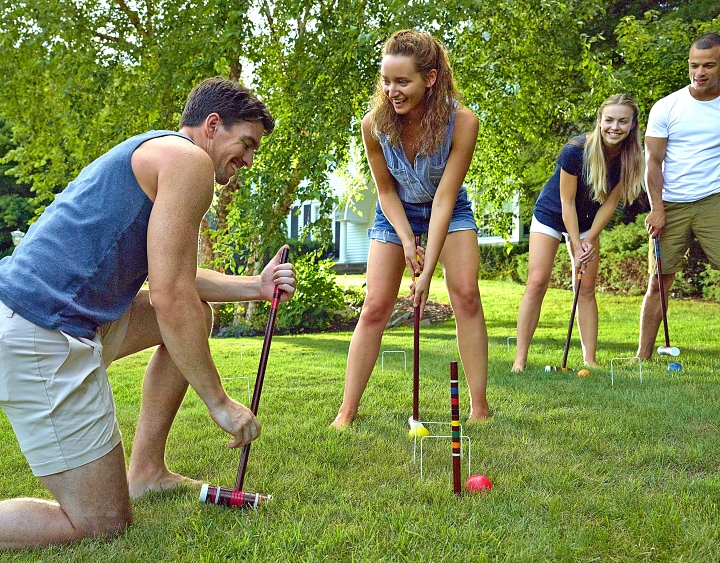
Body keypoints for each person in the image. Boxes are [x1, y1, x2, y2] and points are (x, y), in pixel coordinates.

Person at [0, 77, 297, 549]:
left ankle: (148, 471)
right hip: (41, 330)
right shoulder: (188, 161)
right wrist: (219, 402)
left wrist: (256, 288)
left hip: (60, 317)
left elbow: (175, 275)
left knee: (198, 313)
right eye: (245, 144)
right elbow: (169, 294)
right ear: (213, 125)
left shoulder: (161, 153)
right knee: (101, 523)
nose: (247, 161)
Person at [331, 29, 490, 428]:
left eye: (403, 82)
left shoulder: (463, 122)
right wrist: (405, 240)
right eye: (386, 81)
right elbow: (385, 191)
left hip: (448, 211)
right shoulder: (375, 126)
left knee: (467, 296)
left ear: (430, 79)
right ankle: (347, 412)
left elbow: (444, 199)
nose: (392, 91)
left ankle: (479, 407)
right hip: (396, 212)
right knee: (375, 308)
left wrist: (426, 273)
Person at [635, 33, 720, 369]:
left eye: (709, 65)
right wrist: (656, 207)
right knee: (659, 281)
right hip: (671, 202)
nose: (700, 72)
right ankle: (642, 355)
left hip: (717, 199)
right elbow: (652, 161)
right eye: (694, 65)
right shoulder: (667, 106)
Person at [512, 94, 645, 372]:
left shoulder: (631, 157)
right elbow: (566, 201)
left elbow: (611, 202)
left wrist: (589, 239)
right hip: (552, 213)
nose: (614, 127)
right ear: (599, 120)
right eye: (609, 120)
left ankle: (590, 360)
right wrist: (575, 243)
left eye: (622, 121)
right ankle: (520, 360)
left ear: (632, 125)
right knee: (537, 281)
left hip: (590, 220)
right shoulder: (576, 149)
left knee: (585, 288)